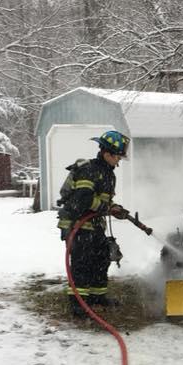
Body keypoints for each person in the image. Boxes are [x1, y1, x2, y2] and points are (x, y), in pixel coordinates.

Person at [56, 130, 130, 316]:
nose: (119, 162)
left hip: (95, 226)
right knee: (82, 263)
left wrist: (116, 208)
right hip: (78, 226)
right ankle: (78, 304)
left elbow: (102, 200)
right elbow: (83, 200)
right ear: (107, 154)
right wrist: (107, 208)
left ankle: (98, 297)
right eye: (117, 157)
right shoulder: (89, 170)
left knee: (101, 258)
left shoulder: (108, 174)